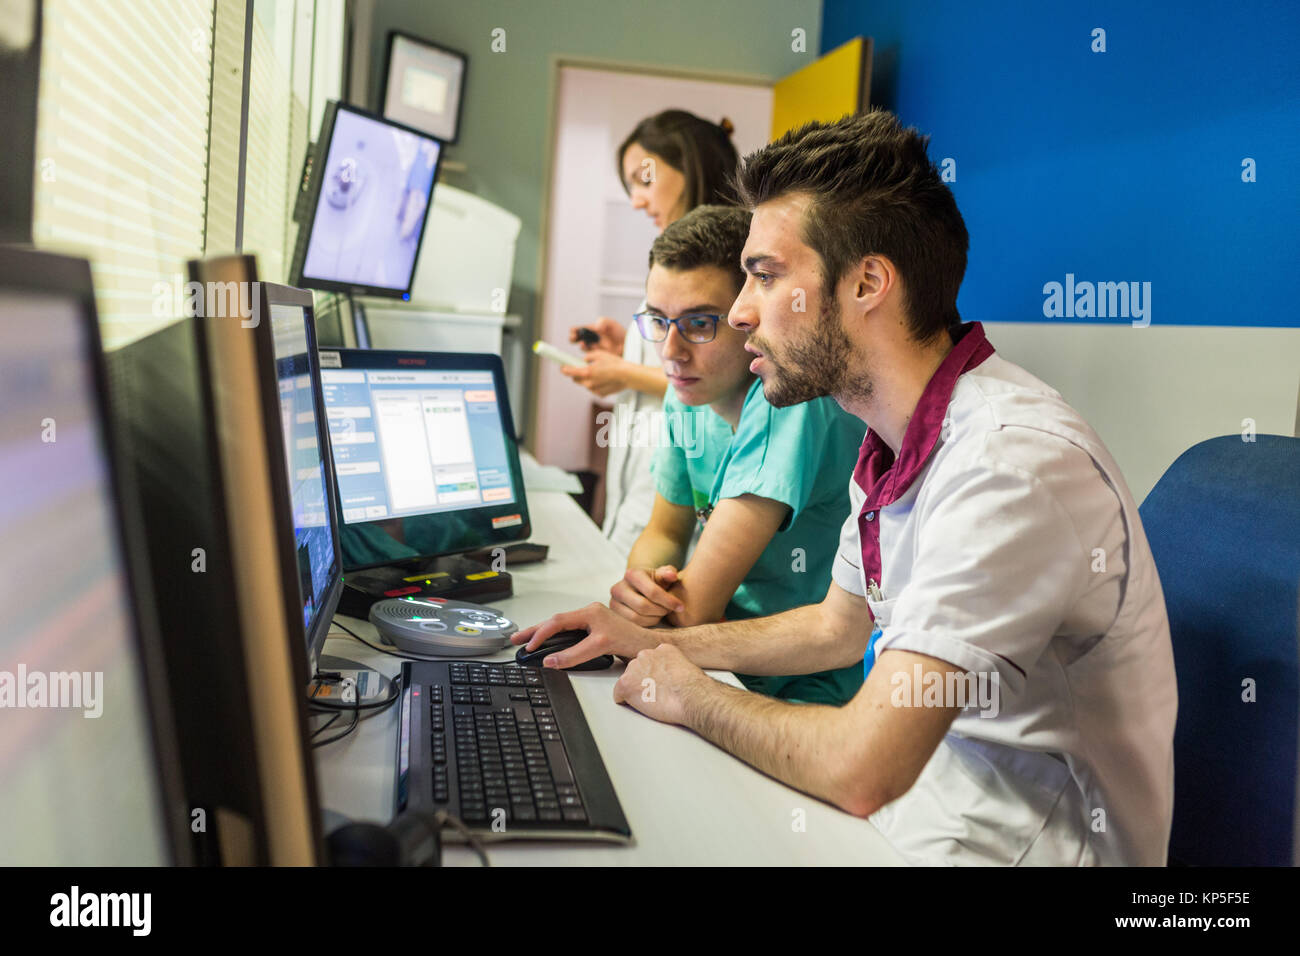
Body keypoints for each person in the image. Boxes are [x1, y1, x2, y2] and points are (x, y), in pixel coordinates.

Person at [514, 110, 1178, 866]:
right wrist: (658, 641)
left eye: (765, 276)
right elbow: (836, 628)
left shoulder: (1009, 463)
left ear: (867, 283)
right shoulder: (893, 435)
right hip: (922, 812)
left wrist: (692, 692)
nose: (739, 311)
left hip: (1018, 845)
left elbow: (860, 768)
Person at [609, 204, 865, 705]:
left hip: (798, 686)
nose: (671, 351)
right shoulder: (687, 393)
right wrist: (639, 586)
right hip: (712, 657)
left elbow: (695, 608)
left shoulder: (791, 402)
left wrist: (649, 617)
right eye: (658, 322)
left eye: (700, 324)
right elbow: (665, 531)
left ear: (749, 316)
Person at [564, 110, 739, 556]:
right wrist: (628, 347)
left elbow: (732, 380)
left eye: (643, 180)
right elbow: (683, 354)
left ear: (688, 162)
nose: (637, 200)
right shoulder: (673, 257)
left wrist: (625, 373)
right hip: (651, 487)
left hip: (688, 496)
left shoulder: (735, 263)